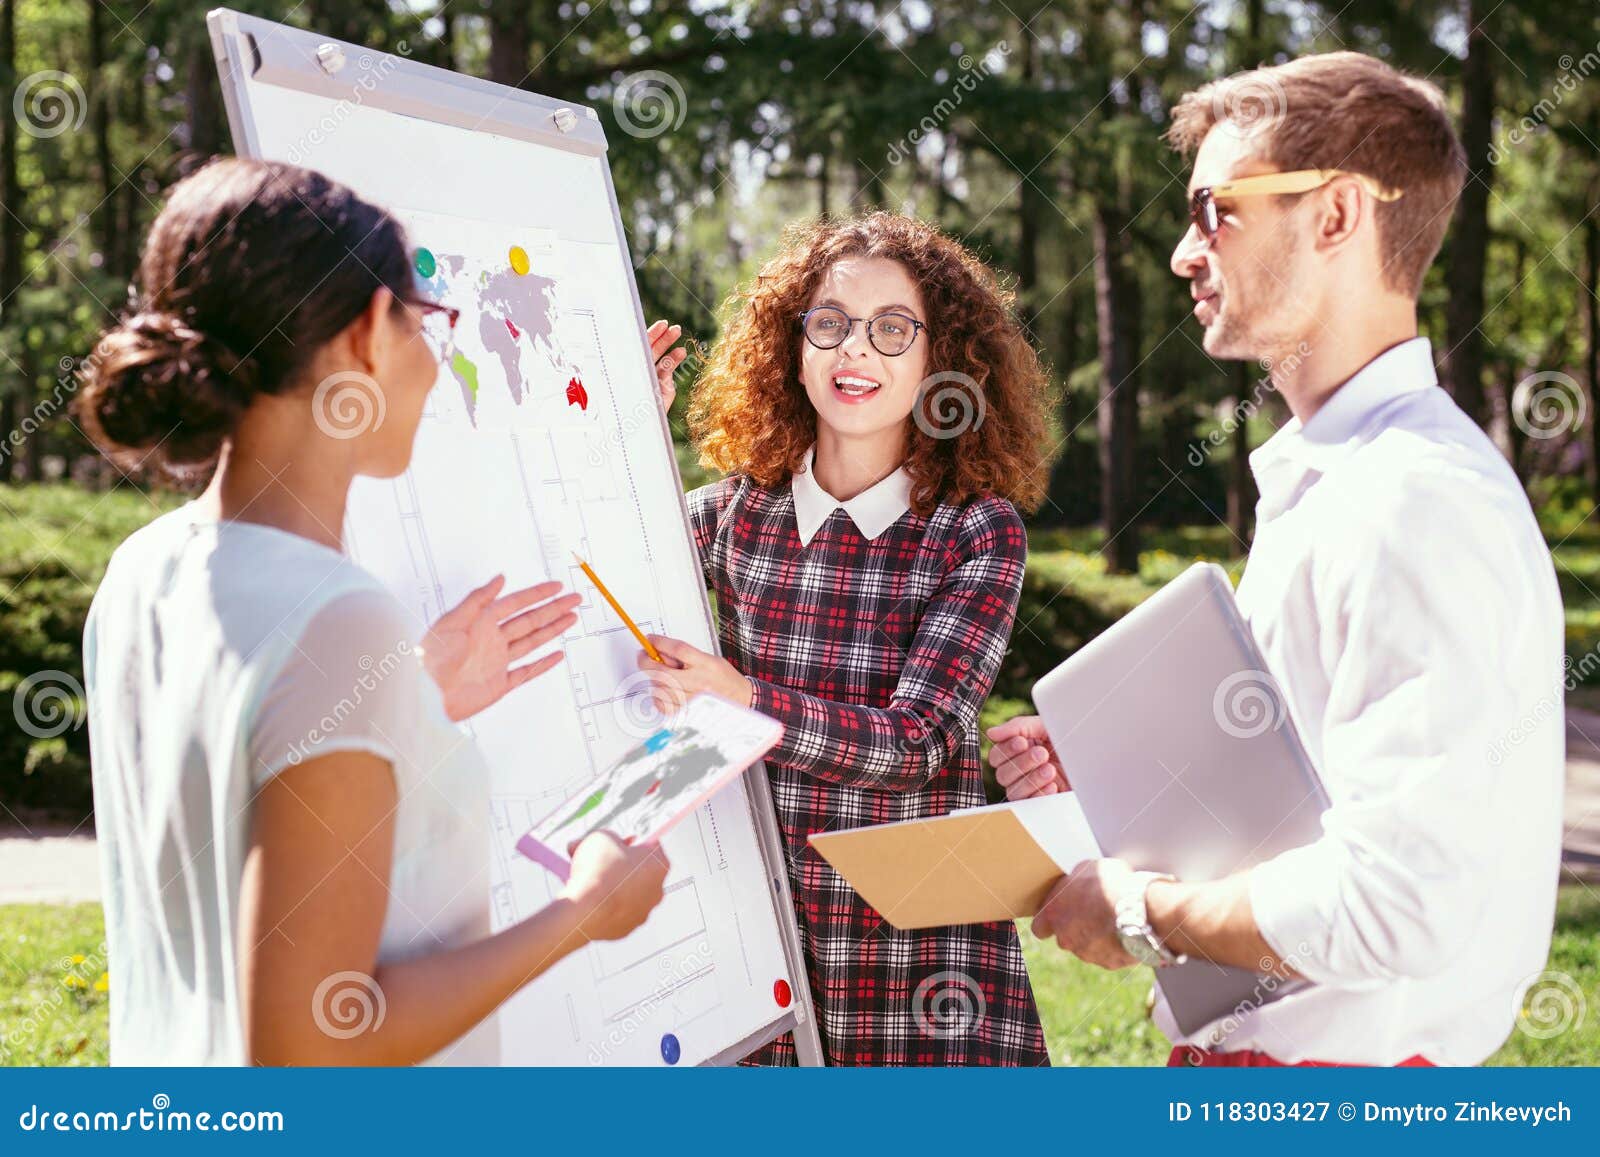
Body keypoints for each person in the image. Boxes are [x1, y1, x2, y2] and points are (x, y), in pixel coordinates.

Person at [990, 51, 1565, 1067]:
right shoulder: (1343, 480)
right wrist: (1129, 782)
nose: (1184, 251)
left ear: (1336, 214)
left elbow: (1397, 901)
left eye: (1215, 210)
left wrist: (1143, 910)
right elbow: (1304, 812)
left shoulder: (1411, 500)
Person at [78, 157, 668, 1066]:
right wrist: (583, 912)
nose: (432, 364)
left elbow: (237, 801)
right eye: (425, 325)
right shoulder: (337, 618)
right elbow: (308, 1048)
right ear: (366, 334)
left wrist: (407, 701)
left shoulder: (139, 571)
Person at [644, 212, 1054, 1065]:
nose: (854, 349)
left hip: (919, 957)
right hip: (761, 942)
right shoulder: (728, 514)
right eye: (828, 323)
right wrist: (627, 433)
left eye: (892, 329)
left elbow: (919, 740)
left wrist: (744, 700)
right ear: (793, 349)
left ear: (940, 359)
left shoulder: (976, 532)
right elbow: (606, 576)